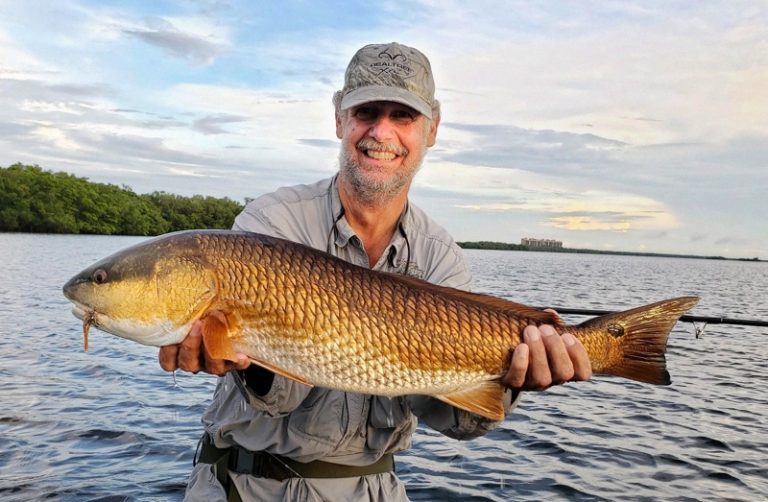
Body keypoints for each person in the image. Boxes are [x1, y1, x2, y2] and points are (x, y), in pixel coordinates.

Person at [159, 42, 592, 501]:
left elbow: (457, 421)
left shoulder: (440, 256)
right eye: (366, 111)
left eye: (402, 116)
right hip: (243, 486)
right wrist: (235, 354)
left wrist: (514, 379)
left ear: (433, 129)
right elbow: (279, 396)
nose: (381, 132)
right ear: (340, 119)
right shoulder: (270, 224)